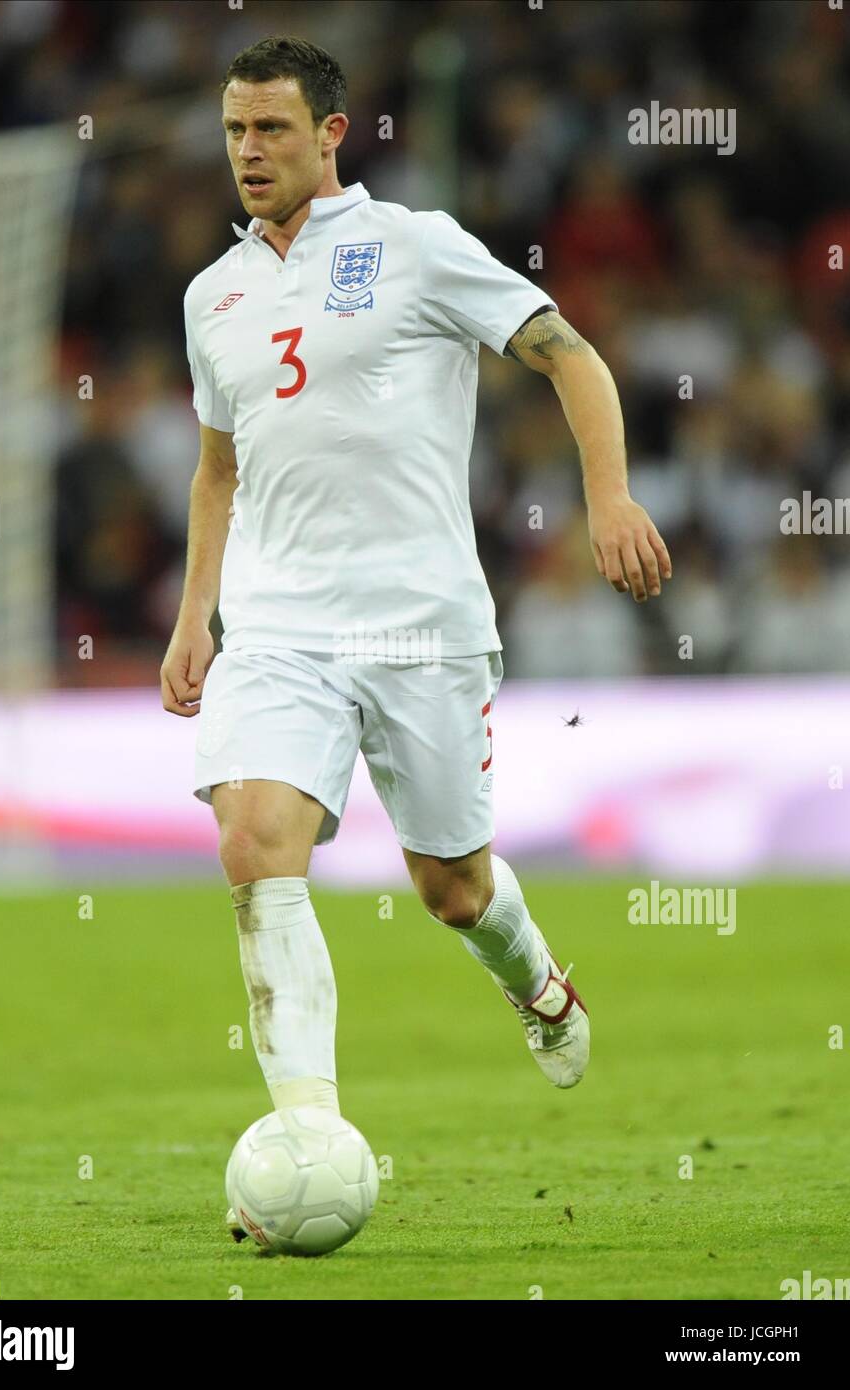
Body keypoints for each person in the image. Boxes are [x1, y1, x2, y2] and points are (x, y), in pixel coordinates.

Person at [160, 36, 671, 1130]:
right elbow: (218, 465)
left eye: (272, 129)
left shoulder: (415, 246)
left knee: (455, 890)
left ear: (332, 133)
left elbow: (568, 351)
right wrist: (195, 612)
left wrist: (611, 496)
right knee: (252, 842)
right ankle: (309, 1133)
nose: (248, 151)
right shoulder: (213, 295)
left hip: (417, 620)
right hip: (278, 624)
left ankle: (535, 979)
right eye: (235, 130)